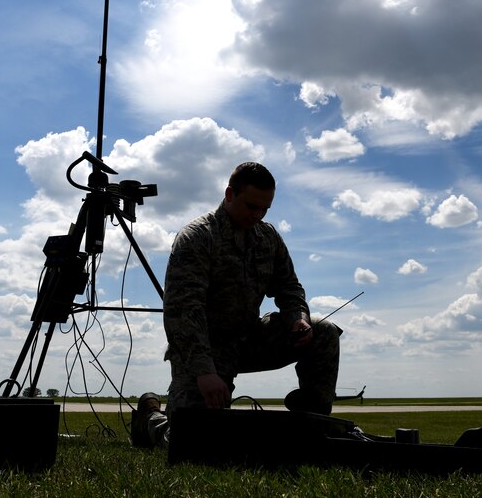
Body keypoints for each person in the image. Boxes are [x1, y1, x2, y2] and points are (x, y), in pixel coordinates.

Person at [132, 162, 342, 449]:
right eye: (251, 207)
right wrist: (204, 371)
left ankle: (312, 431)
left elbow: (290, 287)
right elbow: (183, 310)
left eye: (265, 209)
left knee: (324, 332)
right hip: (205, 348)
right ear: (230, 194)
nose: (258, 215)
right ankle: (151, 420)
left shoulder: (268, 237)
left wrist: (298, 317)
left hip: (249, 338)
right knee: (193, 441)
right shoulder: (197, 237)